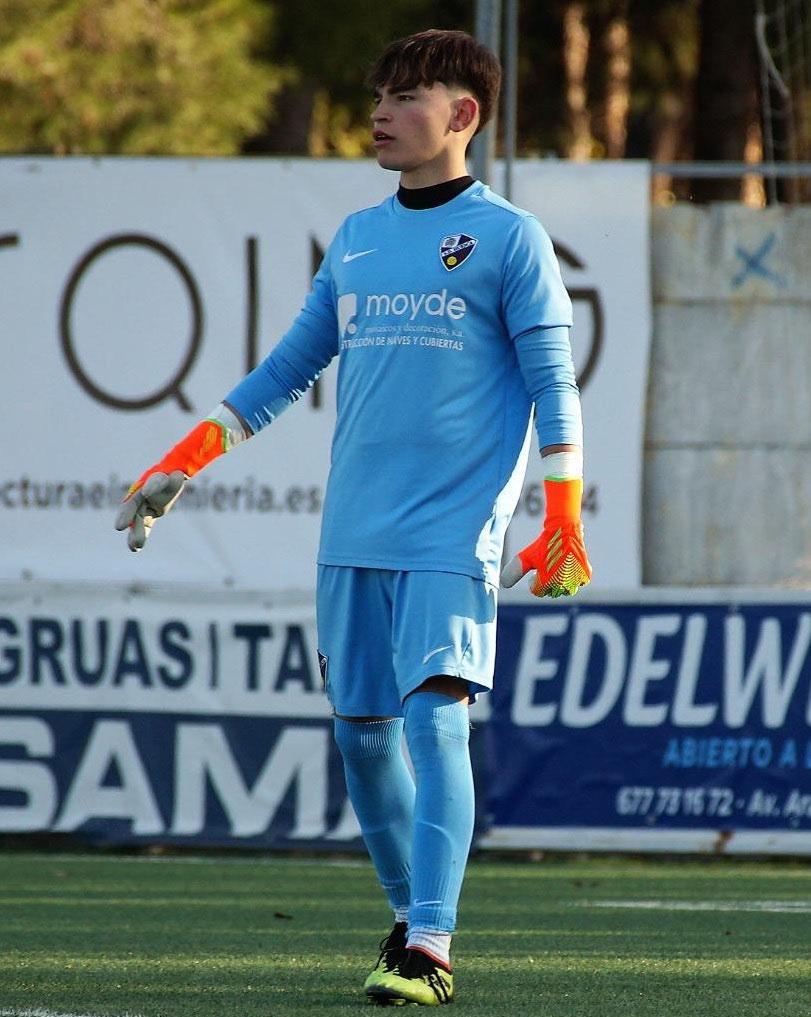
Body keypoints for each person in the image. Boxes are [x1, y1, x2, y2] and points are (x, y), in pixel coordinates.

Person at [115, 28, 591, 1007]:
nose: (380, 110)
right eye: (378, 93)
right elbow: (286, 371)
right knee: (364, 737)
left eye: (405, 95)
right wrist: (182, 461)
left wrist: (564, 511)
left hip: (449, 537)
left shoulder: (509, 239)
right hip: (352, 537)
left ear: (461, 115)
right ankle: (405, 916)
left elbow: (554, 381)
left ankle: (429, 947)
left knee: (434, 724)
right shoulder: (360, 237)